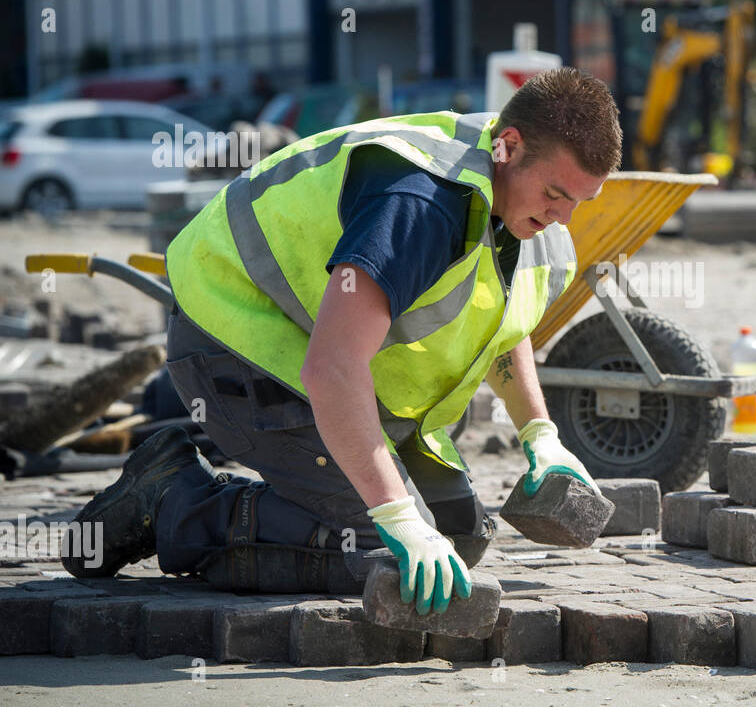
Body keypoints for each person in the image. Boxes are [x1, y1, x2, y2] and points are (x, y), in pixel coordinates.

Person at [62, 67, 623, 616]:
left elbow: (501, 320)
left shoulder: (519, 207)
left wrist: (540, 435)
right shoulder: (421, 202)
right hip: (235, 337)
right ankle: (174, 498)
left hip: (325, 355)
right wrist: (397, 516)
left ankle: (323, 510)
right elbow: (332, 365)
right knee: (380, 546)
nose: (563, 216)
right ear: (509, 145)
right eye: (555, 193)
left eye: (580, 201)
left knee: (456, 539)